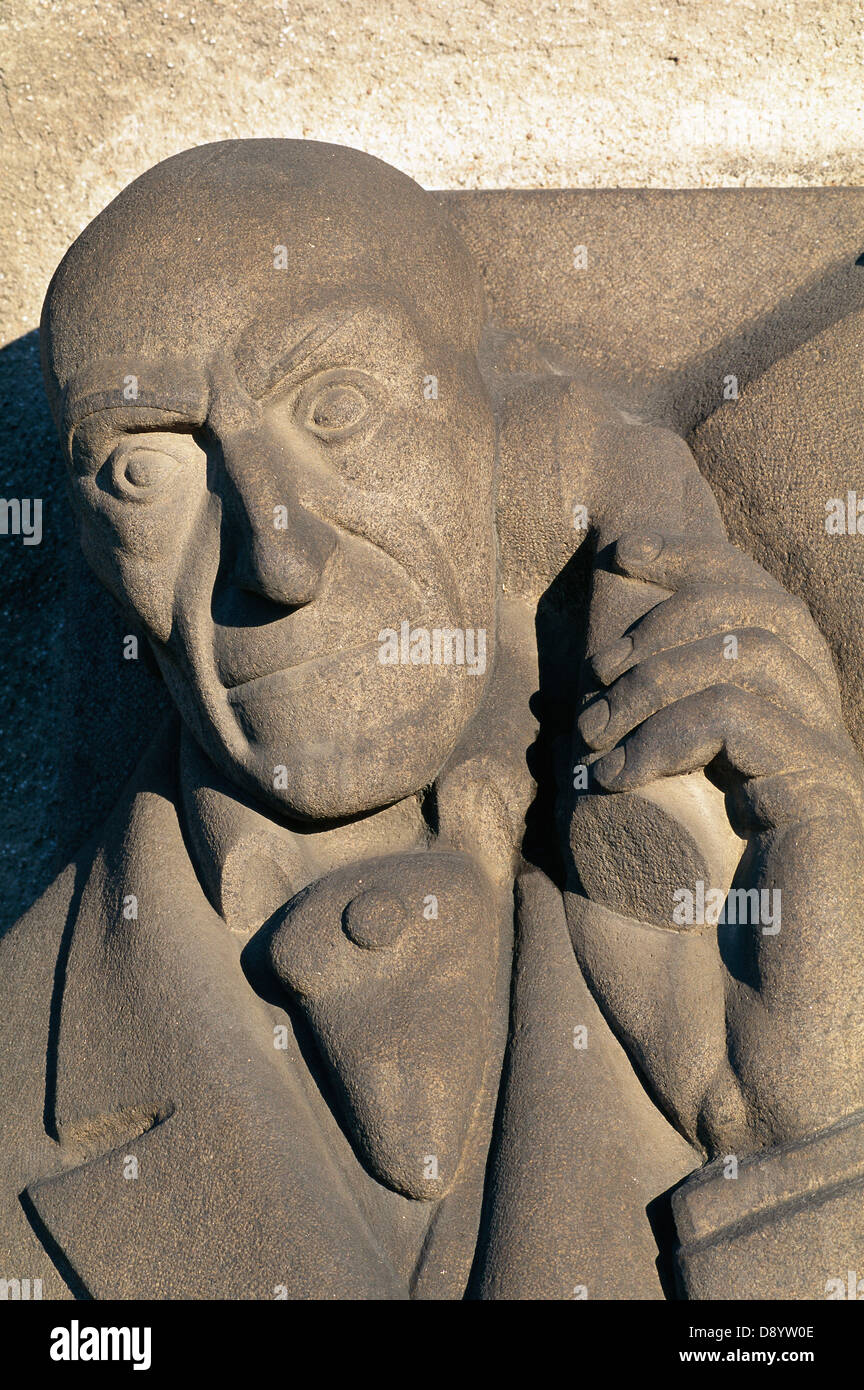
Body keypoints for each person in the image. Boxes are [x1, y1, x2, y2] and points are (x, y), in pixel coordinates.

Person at [0, 140, 861, 1299]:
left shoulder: (744, 909)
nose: (280, 556)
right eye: (144, 472)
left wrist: (820, 1127)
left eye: (338, 404)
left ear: (507, 431)